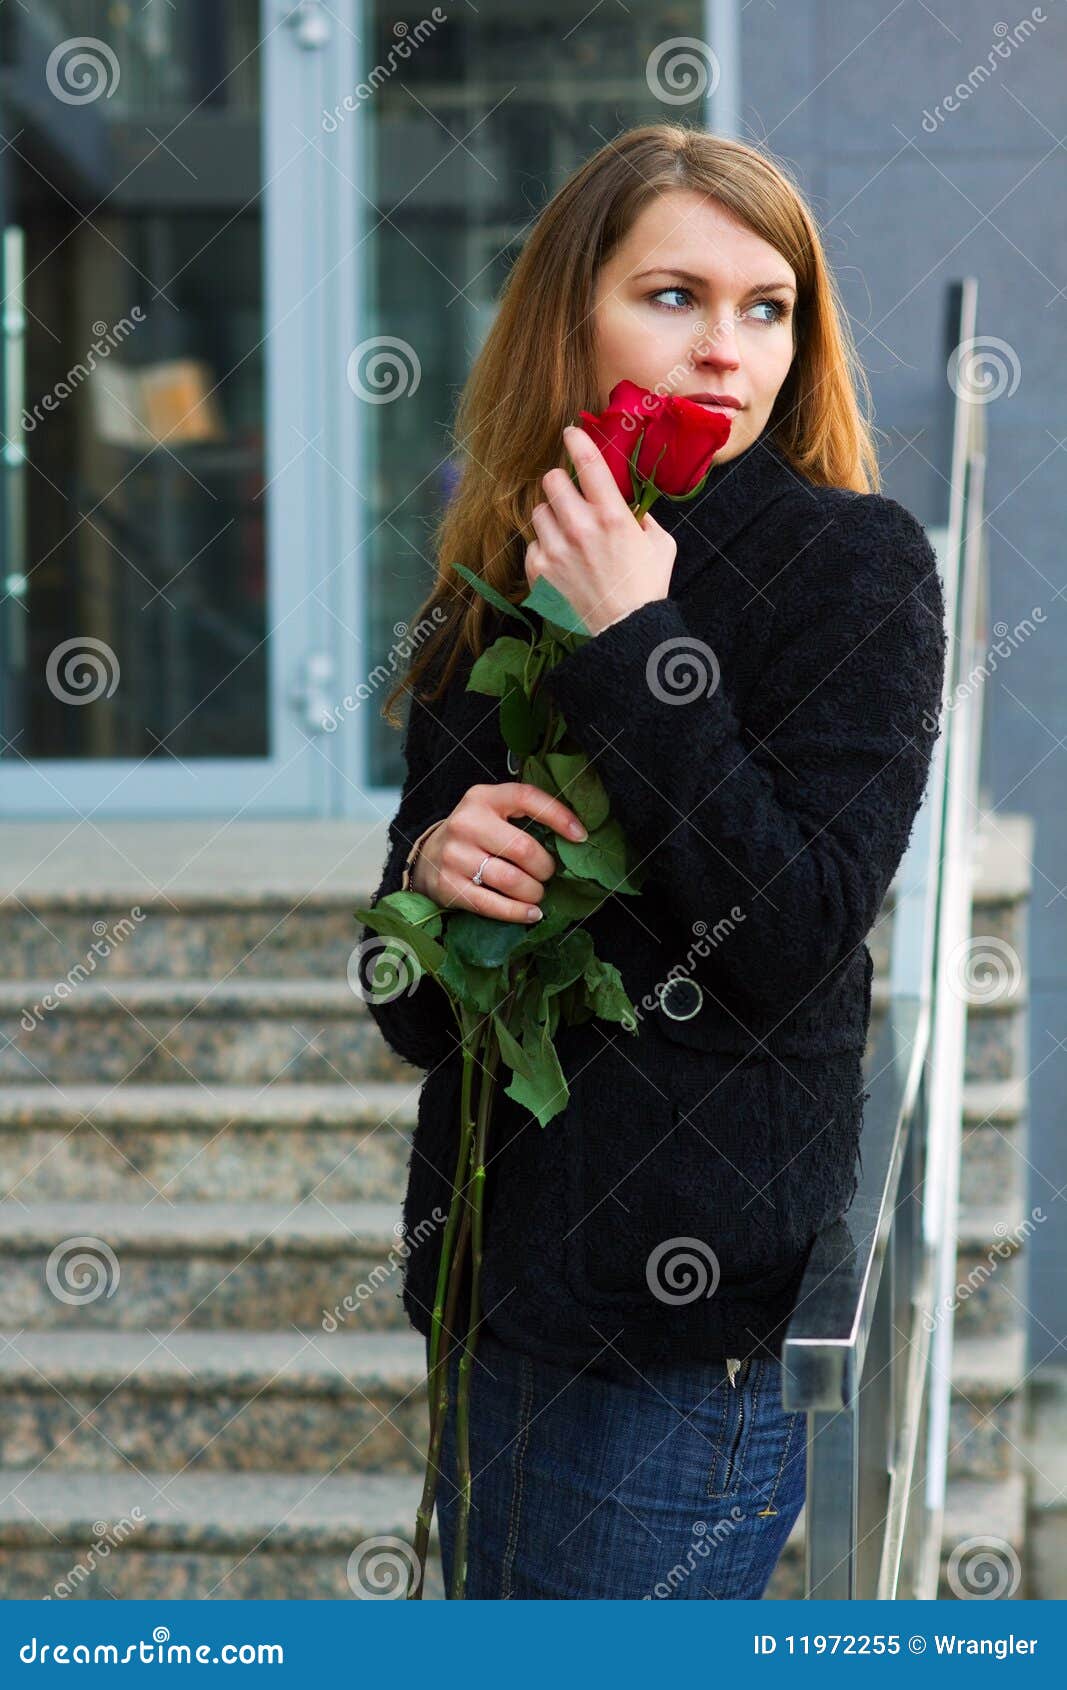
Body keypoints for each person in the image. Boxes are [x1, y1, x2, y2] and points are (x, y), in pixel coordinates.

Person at [360, 123, 947, 1599]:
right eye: (673, 296)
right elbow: (410, 1013)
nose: (725, 349)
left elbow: (795, 928)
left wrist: (634, 642)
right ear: (574, 317)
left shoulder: (853, 565)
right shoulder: (499, 568)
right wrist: (431, 878)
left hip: (676, 1343)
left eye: (768, 308)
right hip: (494, 1300)